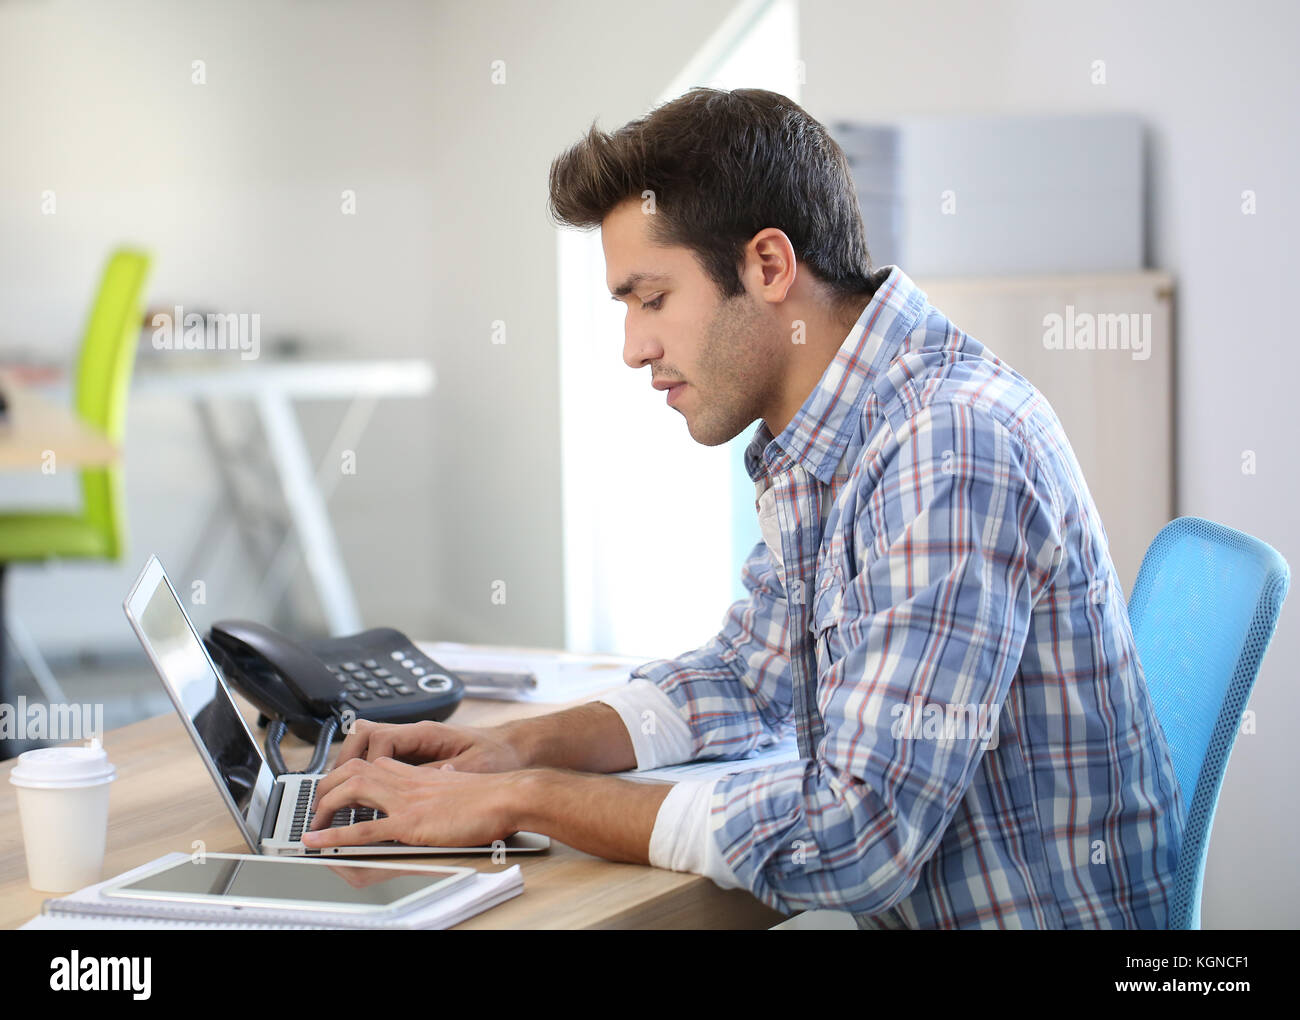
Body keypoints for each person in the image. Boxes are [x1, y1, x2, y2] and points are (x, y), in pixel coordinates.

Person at [305, 87, 1183, 929]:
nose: (633, 347)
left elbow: (854, 836)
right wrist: (517, 751)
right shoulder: (843, 429)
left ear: (768, 265)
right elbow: (751, 674)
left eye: (652, 299)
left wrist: (522, 800)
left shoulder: (946, 445)